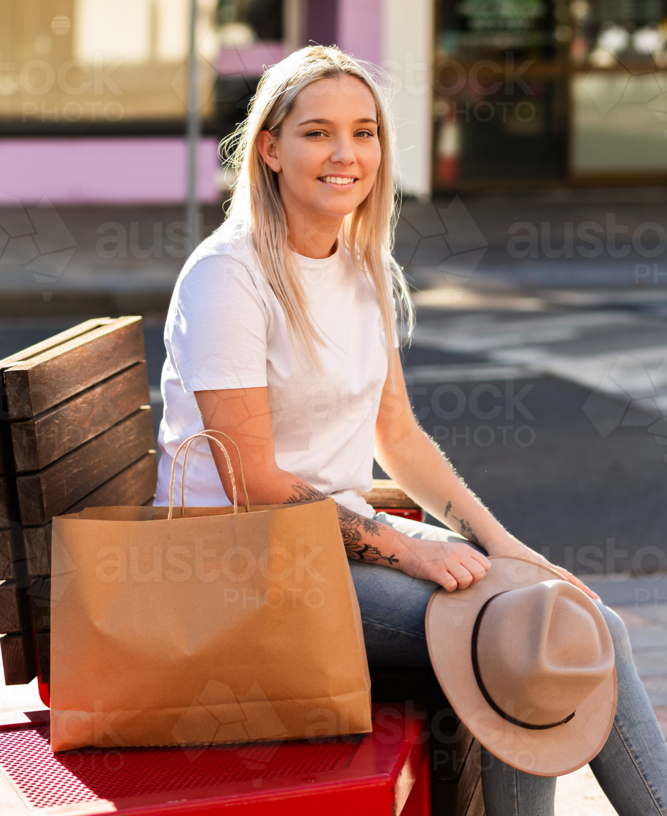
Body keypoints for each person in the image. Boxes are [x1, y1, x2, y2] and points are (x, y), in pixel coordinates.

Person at [155, 45, 667, 815]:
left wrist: (503, 546)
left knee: (577, 624)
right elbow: (251, 481)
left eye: (363, 132)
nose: (344, 154)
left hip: (324, 549)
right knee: (518, 637)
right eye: (317, 132)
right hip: (237, 572)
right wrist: (411, 549)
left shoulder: (360, 263)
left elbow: (398, 434)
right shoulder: (229, 276)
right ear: (269, 148)